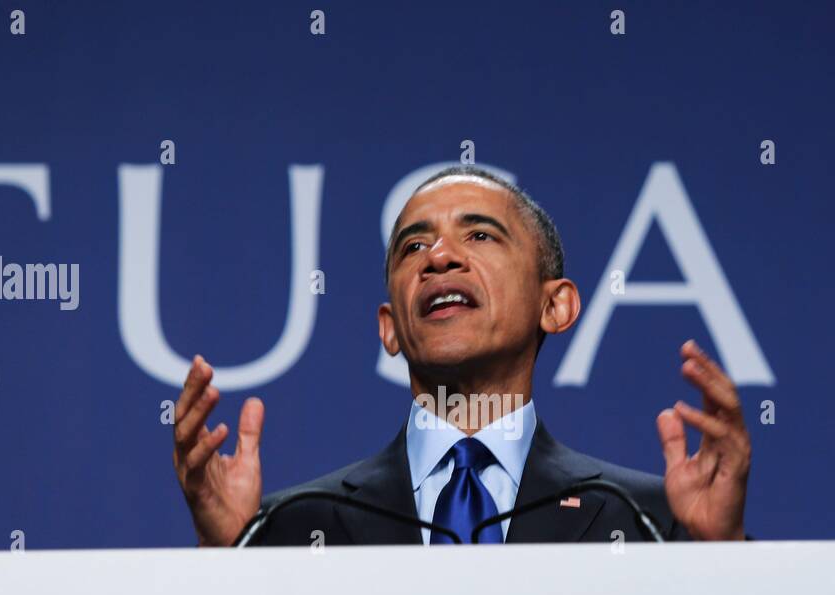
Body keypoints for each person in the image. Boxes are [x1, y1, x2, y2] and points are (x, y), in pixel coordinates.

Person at [172, 166, 752, 547]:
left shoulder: (650, 520)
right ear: (390, 328)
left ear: (556, 306)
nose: (440, 257)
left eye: (479, 237)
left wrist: (721, 554)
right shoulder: (289, 528)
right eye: (414, 246)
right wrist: (224, 559)